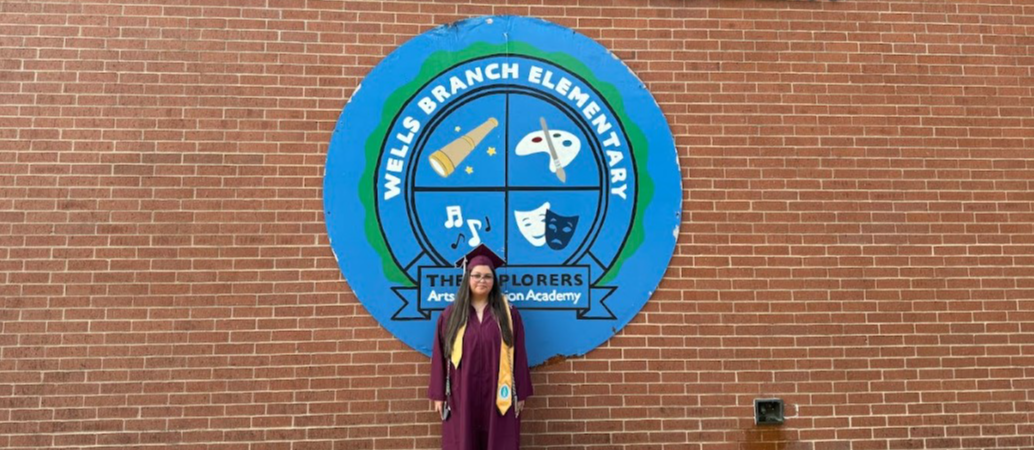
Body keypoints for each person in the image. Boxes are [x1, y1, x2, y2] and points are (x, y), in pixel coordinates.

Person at [428, 244, 533, 450]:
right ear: (467, 278)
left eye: (487, 276)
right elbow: (440, 355)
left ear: (494, 281)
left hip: (499, 391)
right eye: (476, 275)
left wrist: (520, 393)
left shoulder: (509, 314)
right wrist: (439, 394)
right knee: (463, 439)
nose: (481, 280)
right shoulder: (451, 315)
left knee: (499, 440)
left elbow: (519, 355)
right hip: (461, 390)